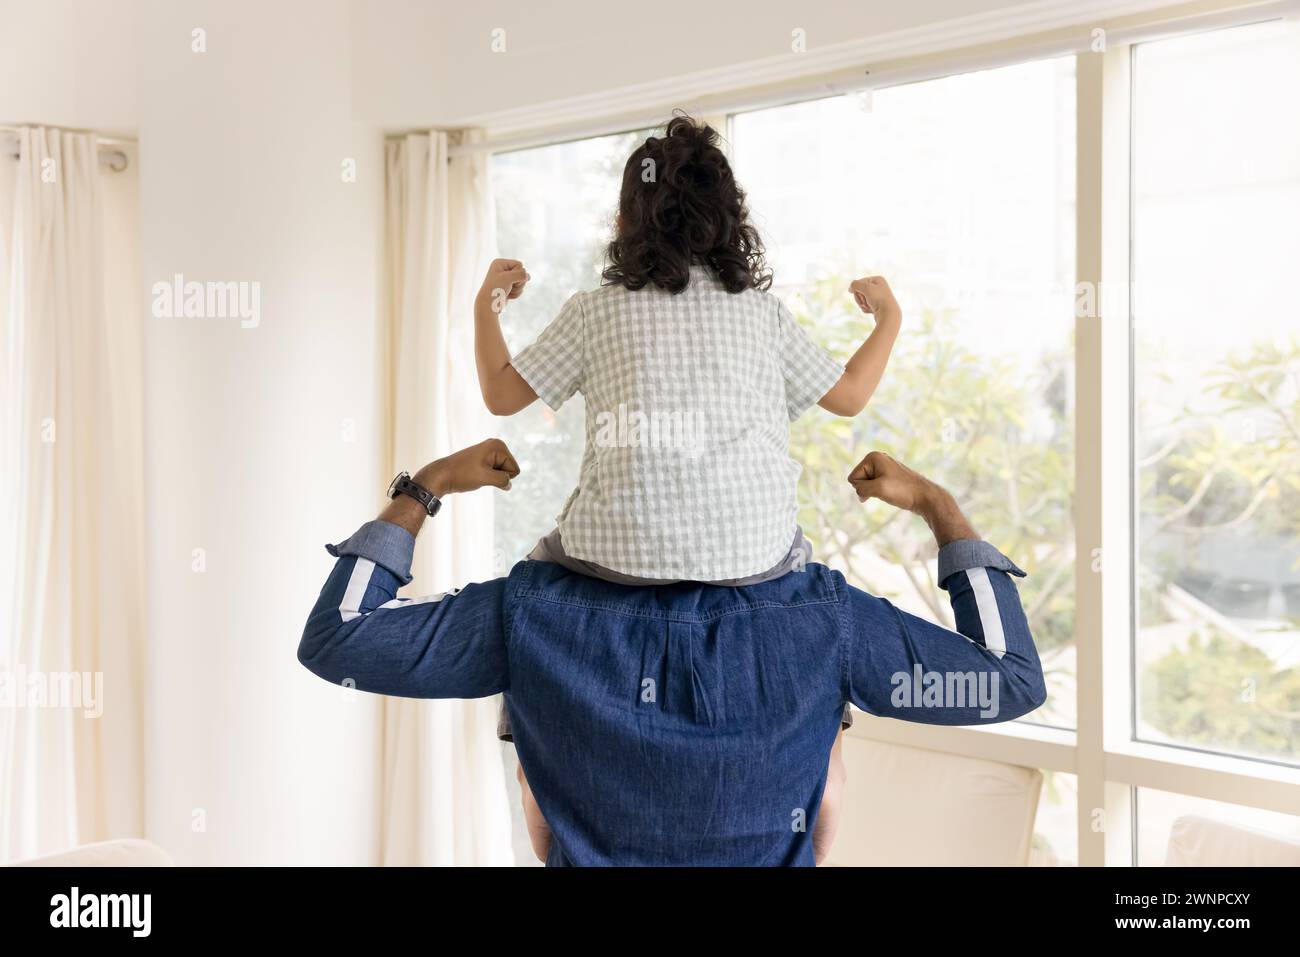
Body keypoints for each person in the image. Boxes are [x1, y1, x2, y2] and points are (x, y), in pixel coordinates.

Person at [298, 438, 1047, 866]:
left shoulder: (528, 612)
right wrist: (937, 506)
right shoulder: (823, 620)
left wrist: (425, 487)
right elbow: (1007, 678)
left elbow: (339, 635)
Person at [471, 116, 903, 855]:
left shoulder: (595, 311)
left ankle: (543, 758)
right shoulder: (762, 315)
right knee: (808, 604)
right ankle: (818, 749)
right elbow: (852, 396)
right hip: (756, 563)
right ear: (730, 220)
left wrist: (487, 305)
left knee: (533, 596)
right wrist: (889, 315)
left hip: (613, 564)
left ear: (626, 222)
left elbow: (503, 396)